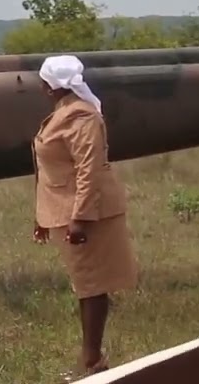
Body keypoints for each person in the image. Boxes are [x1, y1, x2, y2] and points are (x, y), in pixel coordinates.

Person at [32, 54, 137, 378]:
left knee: (92, 286)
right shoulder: (64, 114)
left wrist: (80, 218)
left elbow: (87, 170)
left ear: (51, 87)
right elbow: (51, 171)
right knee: (87, 285)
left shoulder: (81, 117)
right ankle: (91, 358)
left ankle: (92, 362)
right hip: (68, 211)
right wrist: (42, 216)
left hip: (89, 214)